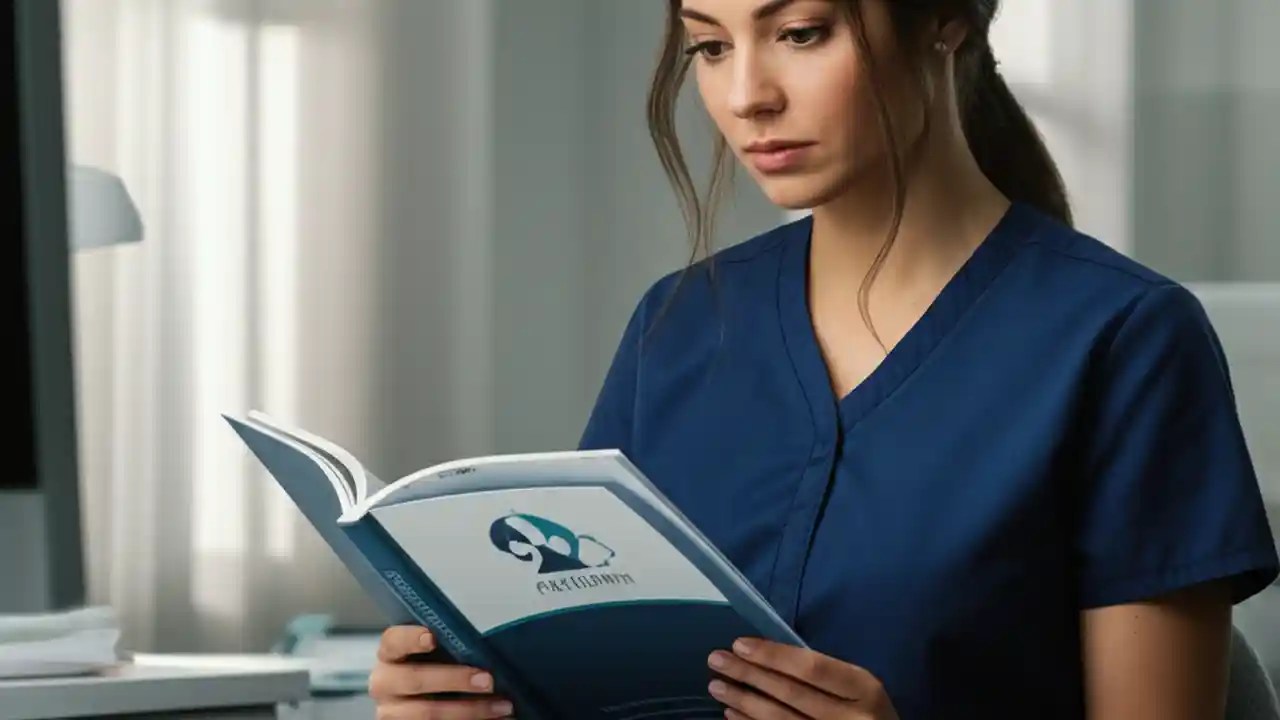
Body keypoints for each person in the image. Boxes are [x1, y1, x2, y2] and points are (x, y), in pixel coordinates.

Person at [368, 0, 1280, 718]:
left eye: (800, 33)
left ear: (945, 21)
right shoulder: (680, 326)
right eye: (711, 48)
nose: (746, 95)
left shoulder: (1124, 339)